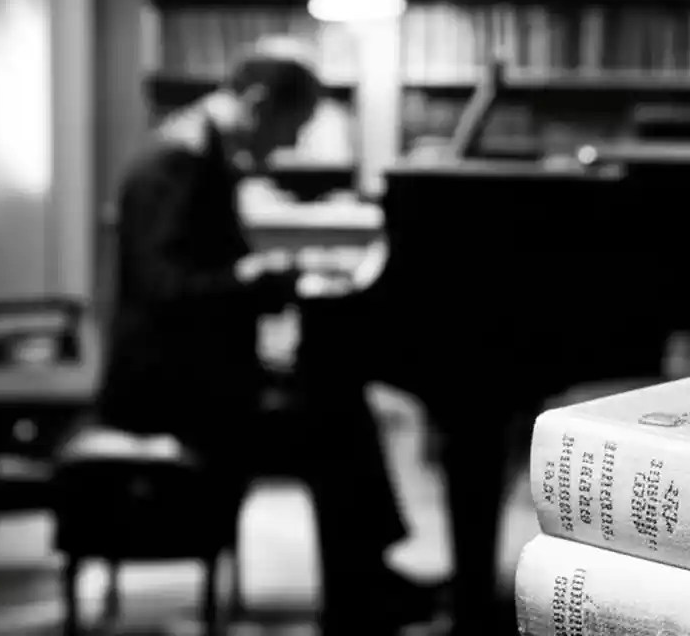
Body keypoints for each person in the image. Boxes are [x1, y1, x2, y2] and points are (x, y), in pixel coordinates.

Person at [96, 37, 438, 634]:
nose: (285, 148)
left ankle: (366, 580)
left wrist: (264, 283)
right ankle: (363, 592)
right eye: (289, 130)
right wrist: (262, 280)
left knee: (334, 395)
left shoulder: (197, 150)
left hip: (189, 369)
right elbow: (166, 288)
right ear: (256, 101)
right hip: (163, 391)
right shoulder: (177, 160)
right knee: (331, 417)